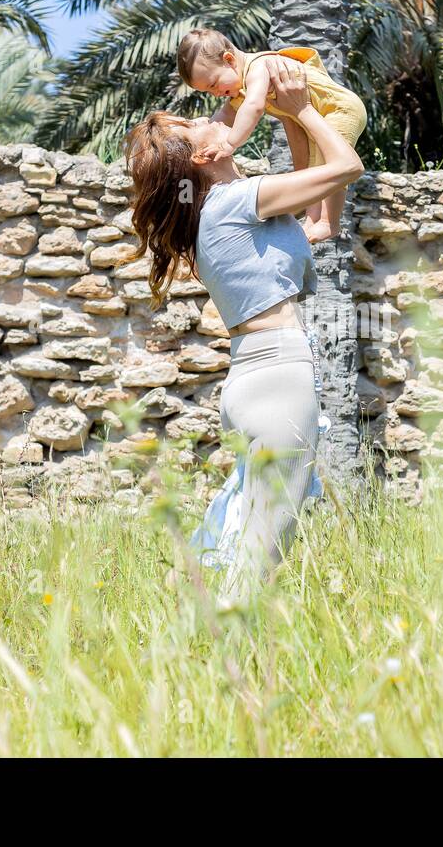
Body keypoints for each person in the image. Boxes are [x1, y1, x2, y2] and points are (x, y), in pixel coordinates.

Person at [126, 56, 364, 597]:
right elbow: (347, 166)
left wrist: (289, 118)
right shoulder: (238, 201)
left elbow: (321, 226)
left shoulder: (227, 210)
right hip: (278, 373)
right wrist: (306, 109)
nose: (216, 115)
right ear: (207, 154)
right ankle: (223, 657)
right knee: (263, 550)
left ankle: (206, 641)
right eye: (200, 123)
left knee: (248, 536)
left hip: (258, 376)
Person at [176, 27, 367, 245]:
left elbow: (255, 106)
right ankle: (312, 220)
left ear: (229, 60)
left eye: (214, 84)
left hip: (340, 109)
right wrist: (203, 132)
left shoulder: (259, 67)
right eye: (208, 92)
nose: (216, 93)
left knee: (329, 164)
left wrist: (230, 143)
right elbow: (225, 114)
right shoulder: (239, 86)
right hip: (321, 114)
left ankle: (328, 221)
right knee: (318, 167)